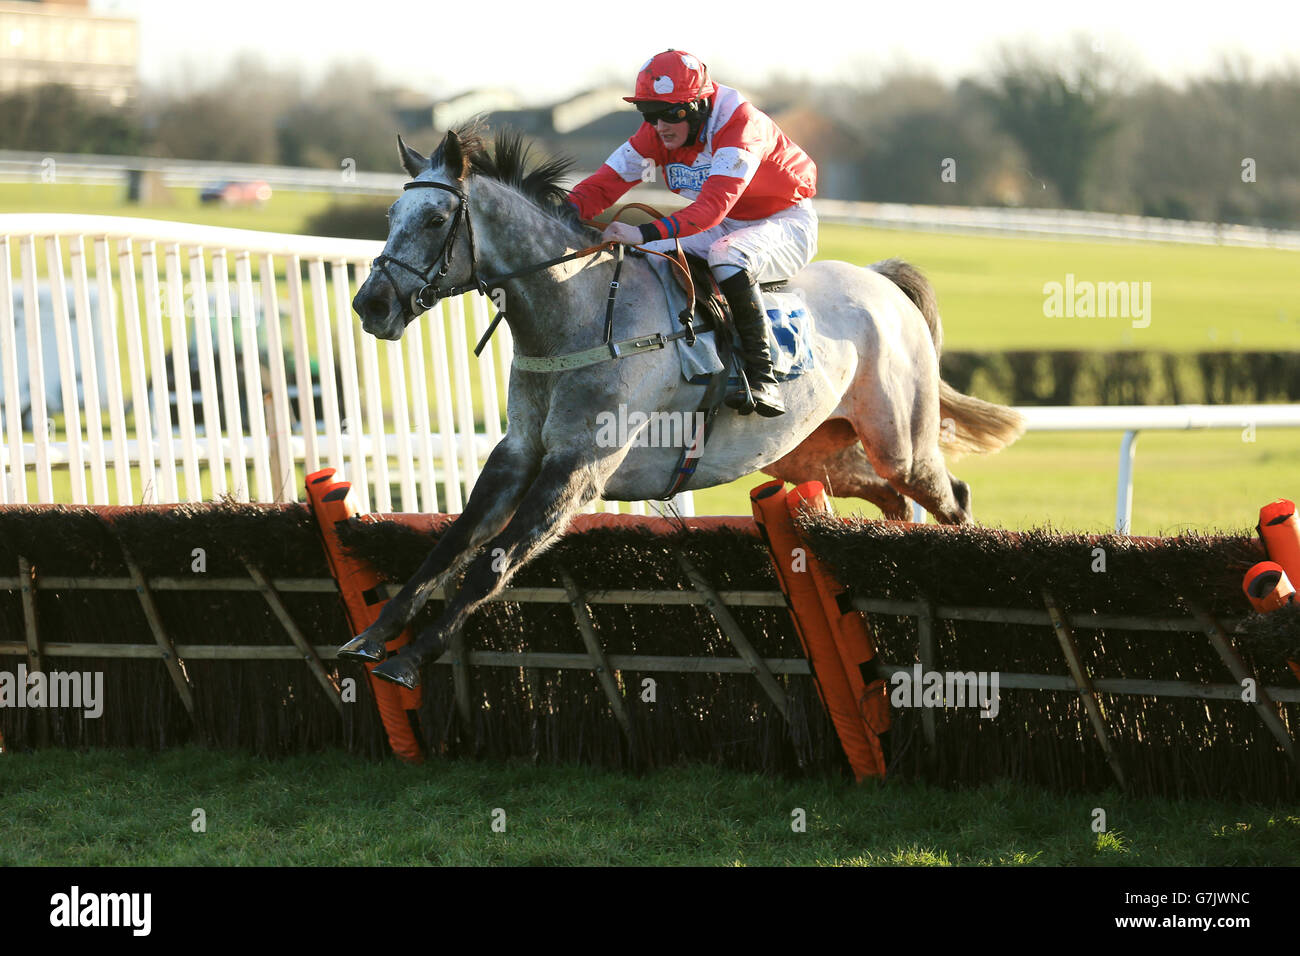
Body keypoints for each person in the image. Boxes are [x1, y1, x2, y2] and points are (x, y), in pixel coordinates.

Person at [566, 49, 818, 417]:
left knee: (726, 255)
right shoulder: (656, 134)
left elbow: (713, 208)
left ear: (699, 106)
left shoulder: (741, 124)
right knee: (646, 257)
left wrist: (643, 232)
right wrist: (552, 215)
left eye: (672, 113)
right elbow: (600, 187)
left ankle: (762, 376)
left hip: (783, 222)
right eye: (649, 114)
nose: (660, 125)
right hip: (724, 224)